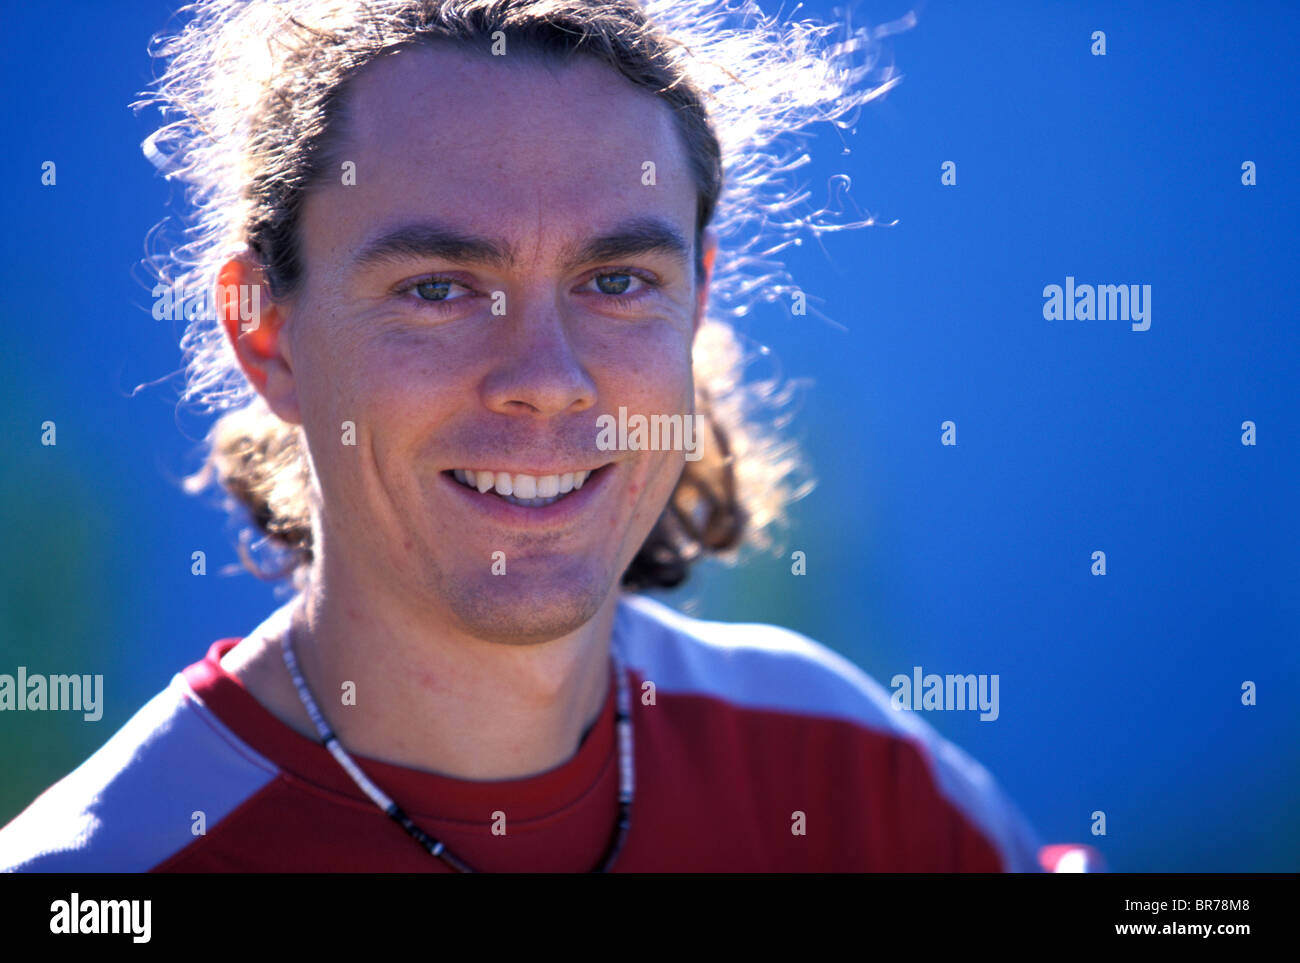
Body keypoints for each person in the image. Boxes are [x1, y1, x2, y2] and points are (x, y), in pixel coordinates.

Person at [0, 0, 1063, 872]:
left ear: (695, 309)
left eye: (615, 283)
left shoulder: (844, 775)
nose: (545, 382)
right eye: (438, 288)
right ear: (266, 333)